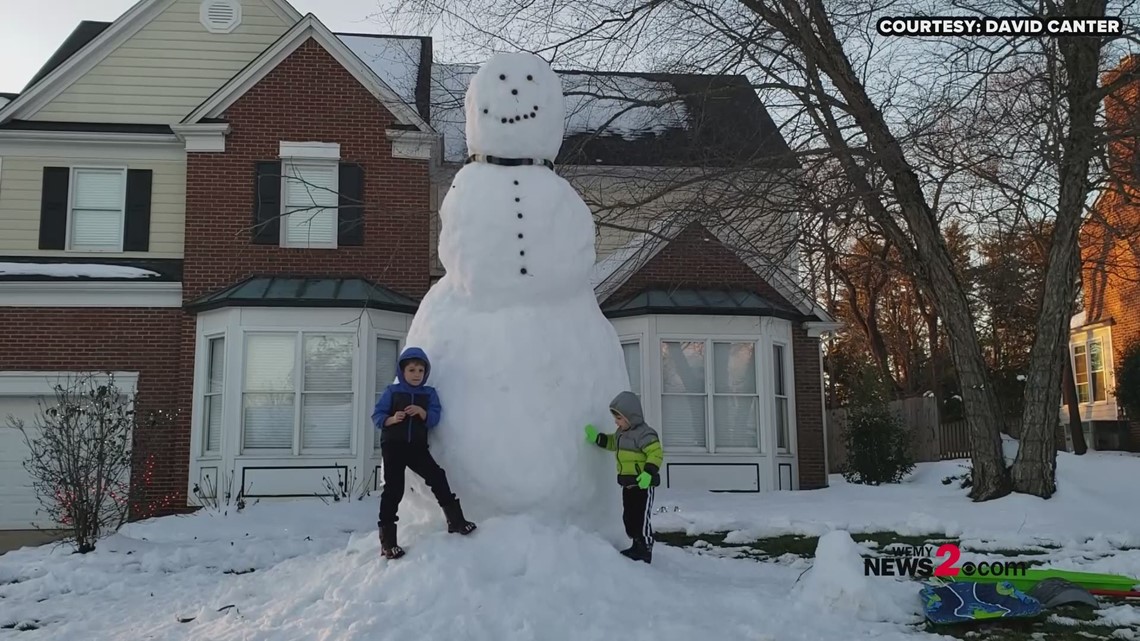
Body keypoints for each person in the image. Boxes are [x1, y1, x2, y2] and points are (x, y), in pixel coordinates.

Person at [372, 346, 476, 559]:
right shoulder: (393, 392)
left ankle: (455, 521)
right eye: (412, 370)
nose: (416, 374)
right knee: (394, 490)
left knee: (437, 476)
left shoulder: (429, 394)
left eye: (421, 370)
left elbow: (435, 417)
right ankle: (388, 543)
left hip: (417, 447)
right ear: (402, 371)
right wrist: (392, 419)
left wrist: (423, 412)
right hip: (393, 445)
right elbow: (377, 415)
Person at [584, 391, 663, 563]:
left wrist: (648, 473)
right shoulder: (620, 433)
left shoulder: (645, 434)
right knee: (629, 518)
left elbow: (656, 453)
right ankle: (636, 544)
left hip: (643, 485)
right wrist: (597, 438)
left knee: (642, 518)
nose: (616, 422)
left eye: (619, 418)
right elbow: (613, 443)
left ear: (630, 417)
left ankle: (645, 548)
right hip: (627, 485)